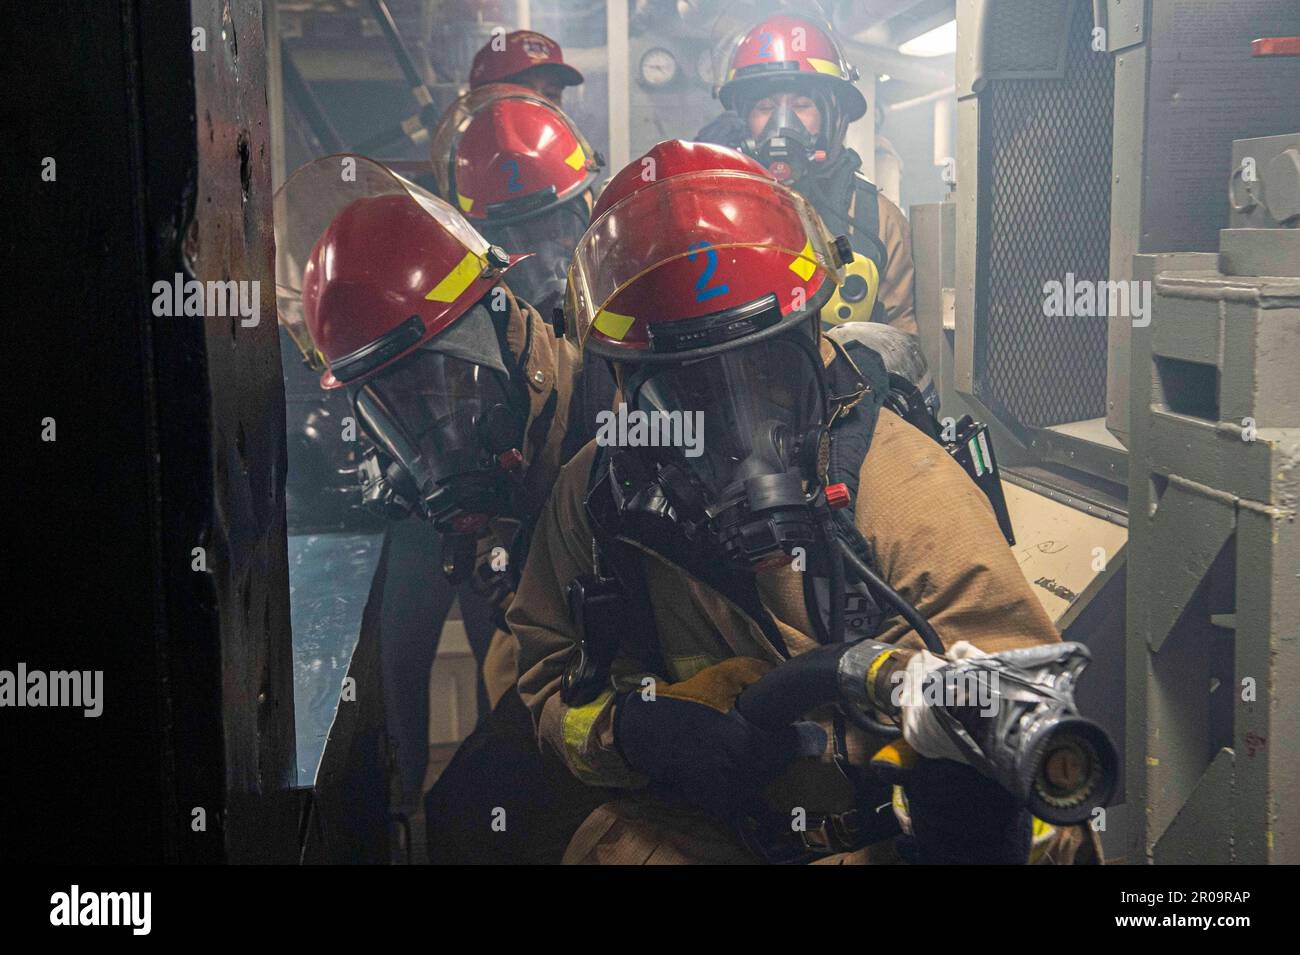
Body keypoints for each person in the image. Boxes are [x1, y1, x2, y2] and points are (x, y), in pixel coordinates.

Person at [506, 140, 1099, 864]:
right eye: (689, 386)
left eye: (764, 369)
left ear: (811, 337)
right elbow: (544, 679)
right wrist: (626, 731)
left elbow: (1042, 770)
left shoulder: (901, 486)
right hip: (713, 823)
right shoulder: (594, 501)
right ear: (627, 385)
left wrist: (957, 811)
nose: (736, 421)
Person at [274, 155, 601, 817]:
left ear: (501, 332)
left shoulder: (603, 429)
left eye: (446, 383)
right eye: (396, 406)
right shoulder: (500, 479)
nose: (434, 436)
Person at [700, 13, 917, 334]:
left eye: (802, 105)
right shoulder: (712, 212)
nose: (782, 123)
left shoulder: (877, 220)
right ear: (744, 121)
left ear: (833, 119)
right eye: (765, 108)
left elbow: (900, 339)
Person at [468, 30, 583, 106]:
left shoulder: (569, 143)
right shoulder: (463, 143)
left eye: (551, 95)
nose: (539, 104)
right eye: (523, 94)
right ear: (479, 99)